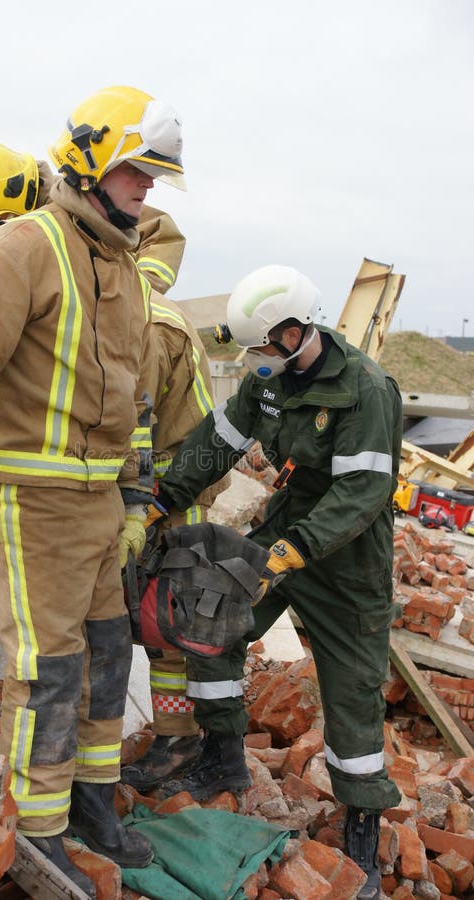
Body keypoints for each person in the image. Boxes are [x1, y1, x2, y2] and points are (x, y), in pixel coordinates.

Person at [0, 85, 185, 894]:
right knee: (50, 671)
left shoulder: (128, 273)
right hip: (36, 505)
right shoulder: (26, 246)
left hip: (103, 509)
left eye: (154, 174)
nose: (150, 187)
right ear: (92, 161)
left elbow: (134, 406)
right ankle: (39, 828)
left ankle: (92, 802)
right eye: (139, 170)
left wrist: (136, 502)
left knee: (109, 657)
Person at [149, 264, 403, 900]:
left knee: (353, 688)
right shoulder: (267, 385)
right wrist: (164, 496)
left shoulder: (366, 390)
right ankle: (224, 752)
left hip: (347, 554)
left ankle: (363, 822)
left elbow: (364, 491)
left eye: (261, 347)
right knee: (214, 619)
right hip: (288, 524)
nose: (254, 359)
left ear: (292, 335)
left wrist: (293, 552)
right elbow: (219, 440)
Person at [120, 209, 232, 791]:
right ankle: (183, 736)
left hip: (168, 493)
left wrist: (139, 503)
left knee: (168, 623)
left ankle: (179, 740)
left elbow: (132, 421)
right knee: (167, 620)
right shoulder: (164, 313)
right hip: (175, 485)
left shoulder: (142, 320)